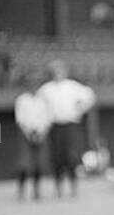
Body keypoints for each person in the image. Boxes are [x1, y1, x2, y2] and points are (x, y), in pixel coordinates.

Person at [38, 61, 96, 197]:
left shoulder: (72, 86)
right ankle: (58, 188)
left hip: (70, 125)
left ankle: (73, 187)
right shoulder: (46, 89)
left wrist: (80, 110)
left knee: (72, 158)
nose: (58, 73)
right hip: (55, 126)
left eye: (60, 70)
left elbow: (90, 96)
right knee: (57, 158)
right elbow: (39, 106)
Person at [13, 74, 52, 200]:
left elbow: (47, 118)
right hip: (26, 134)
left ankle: (36, 190)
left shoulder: (43, 100)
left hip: (40, 134)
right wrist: (28, 133)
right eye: (31, 83)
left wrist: (42, 133)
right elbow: (20, 119)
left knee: (38, 164)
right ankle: (21, 190)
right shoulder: (22, 100)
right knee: (24, 163)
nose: (34, 86)